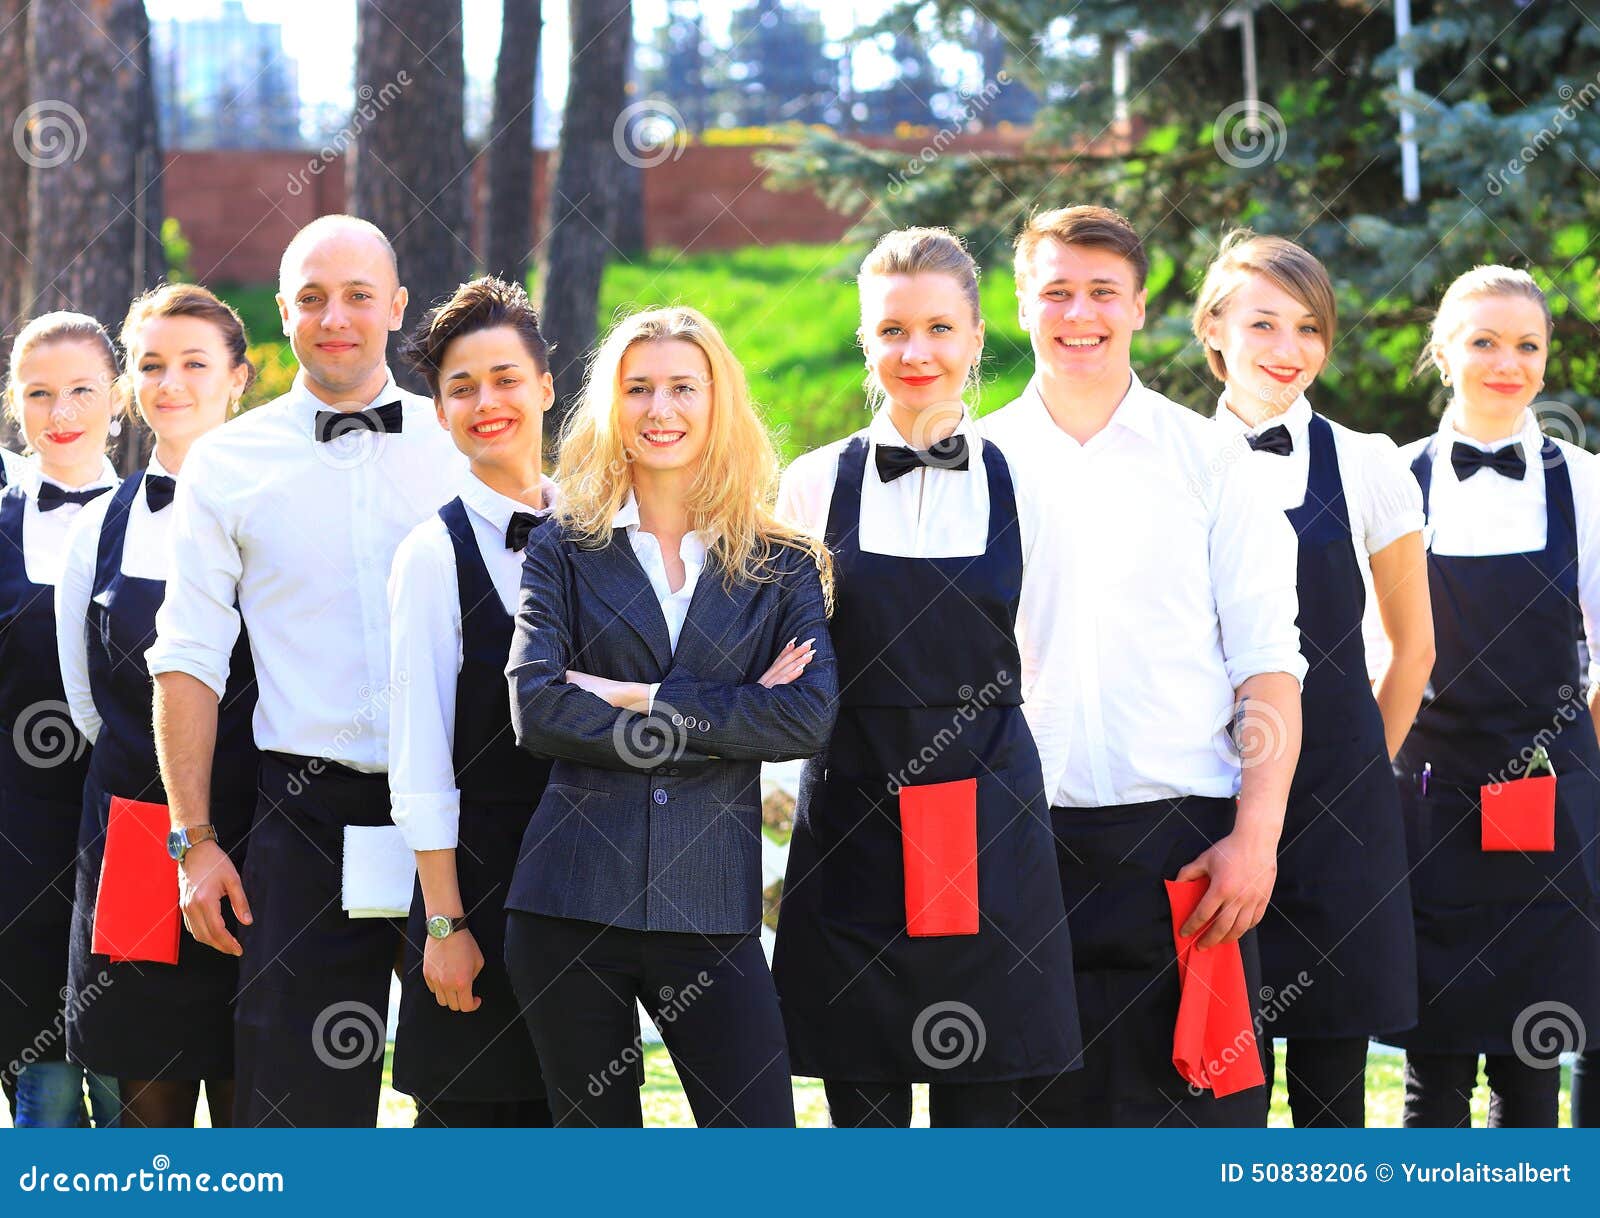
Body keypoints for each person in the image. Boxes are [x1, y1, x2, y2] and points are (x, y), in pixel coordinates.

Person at [983, 205, 1304, 1127]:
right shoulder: (978, 463)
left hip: (1188, 851)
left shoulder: (1213, 460)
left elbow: (1269, 666)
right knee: (1032, 1140)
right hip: (1018, 841)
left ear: (1139, 305)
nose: (1078, 313)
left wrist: (1257, 839)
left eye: (1102, 293)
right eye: (1056, 292)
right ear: (1019, 304)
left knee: (1201, 1136)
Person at [146, 215, 467, 1127]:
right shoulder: (227, 463)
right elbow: (188, 658)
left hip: (460, 804)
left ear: (397, 308)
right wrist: (192, 838)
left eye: (360, 295)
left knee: (475, 1091)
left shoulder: (463, 440)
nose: (337, 317)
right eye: (314, 298)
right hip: (304, 812)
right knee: (294, 1104)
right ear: (283, 311)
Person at [771, 227, 1081, 1127]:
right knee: (861, 1112)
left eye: (940, 328)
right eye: (893, 329)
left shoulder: (1031, 487)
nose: (917, 352)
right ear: (864, 340)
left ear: (978, 339)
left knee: (981, 1124)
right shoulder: (810, 485)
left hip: (989, 830)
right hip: (854, 824)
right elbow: (782, 667)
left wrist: (1021, 826)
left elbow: (1053, 670)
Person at [502, 305, 837, 1128]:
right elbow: (537, 708)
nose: (661, 409)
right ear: (611, 407)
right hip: (567, 902)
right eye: (639, 388)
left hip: (711, 905)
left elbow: (804, 719)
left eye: (684, 387)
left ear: (718, 402)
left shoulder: (781, 562)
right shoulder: (562, 548)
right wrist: (732, 714)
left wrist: (640, 699)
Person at [1193, 232, 1432, 1127]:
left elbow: (1414, 651)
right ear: (1214, 331)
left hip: (1341, 800)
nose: (1289, 351)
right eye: (1262, 323)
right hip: (1212, 790)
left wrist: (1362, 773)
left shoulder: (1368, 461)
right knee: (1220, 1067)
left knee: (1334, 1074)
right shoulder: (1176, 458)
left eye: (1310, 328)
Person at [1384, 266, 1600, 1128]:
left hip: (1552, 798)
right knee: (1432, 1067)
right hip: (1431, 800)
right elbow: (1377, 654)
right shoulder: (1392, 480)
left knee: (1533, 1059)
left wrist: (1584, 778)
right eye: (1483, 342)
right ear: (1442, 351)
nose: (1506, 364)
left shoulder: (1586, 483)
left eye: (1527, 346)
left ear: (1546, 361)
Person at [55, 285, 260, 1128]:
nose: (170, 383)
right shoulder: (100, 523)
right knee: (150, 1095)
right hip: (136, 836)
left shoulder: (277, 507)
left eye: (194, 364)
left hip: (263, 828)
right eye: (151, 365)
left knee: (260, 1083)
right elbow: (85, 701)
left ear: (239, 378)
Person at [387, 277, 556, 1127]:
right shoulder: (430, 555)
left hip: (586, 888)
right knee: (471, 1121)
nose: (487, 403)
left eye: (505, 378)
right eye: (462, 388)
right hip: (477, 885)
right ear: (442, 411)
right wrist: (445, 927)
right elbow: (418, 757)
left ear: (545, 388)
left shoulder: (609, 530)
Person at [0, 312, 121, 1127]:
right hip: (11, 838)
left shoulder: (165, 521)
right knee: (38, 1086)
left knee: (129, 1071)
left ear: (120, 399)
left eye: (82, 389)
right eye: (39, 393)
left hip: (127, 832)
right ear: (16, 405)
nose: (61, 411)